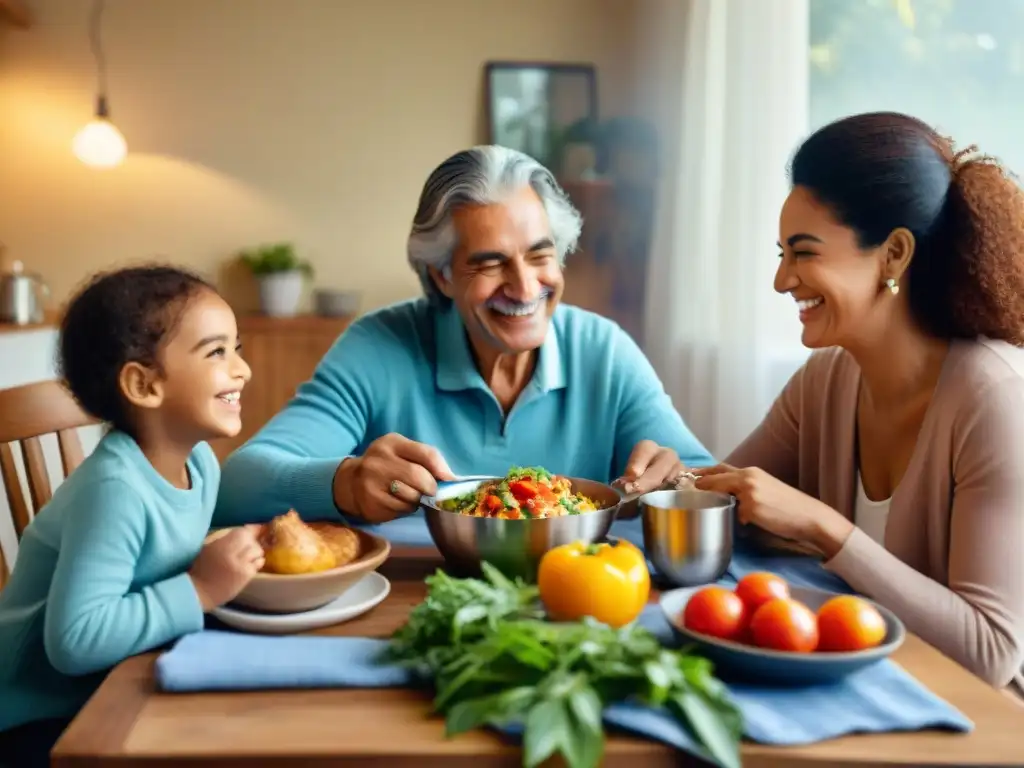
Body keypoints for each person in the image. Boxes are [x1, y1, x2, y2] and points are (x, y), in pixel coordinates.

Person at [215, 145, 713, 542]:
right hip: (406, 599)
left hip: (578, 600)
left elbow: (702, 478)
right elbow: (239, 485)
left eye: (541, 256)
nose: (524, 288)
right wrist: (345, 482)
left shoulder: (602, 349)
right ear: (442, 275)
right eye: (490, 263)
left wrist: (680, 482)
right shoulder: (377, 345)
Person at [694, 112, 1024, 694]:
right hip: (867, 685)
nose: (782, 281)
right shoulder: (824, 380)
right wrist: (658, 482)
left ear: (894, 254)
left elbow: (993, 653)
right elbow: (726, 504)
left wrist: (826, 529)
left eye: (803, 253)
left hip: (979, 723)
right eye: (782, 254)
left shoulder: (994, 400)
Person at [0, 266, 262, 767]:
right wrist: (201, 590)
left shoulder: (200, 463)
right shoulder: (115, 489)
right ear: (144, 385)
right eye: (217, 352)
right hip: (38, 719)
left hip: (115, 679)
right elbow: (74, 642)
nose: (242, 370)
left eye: (238, 348)